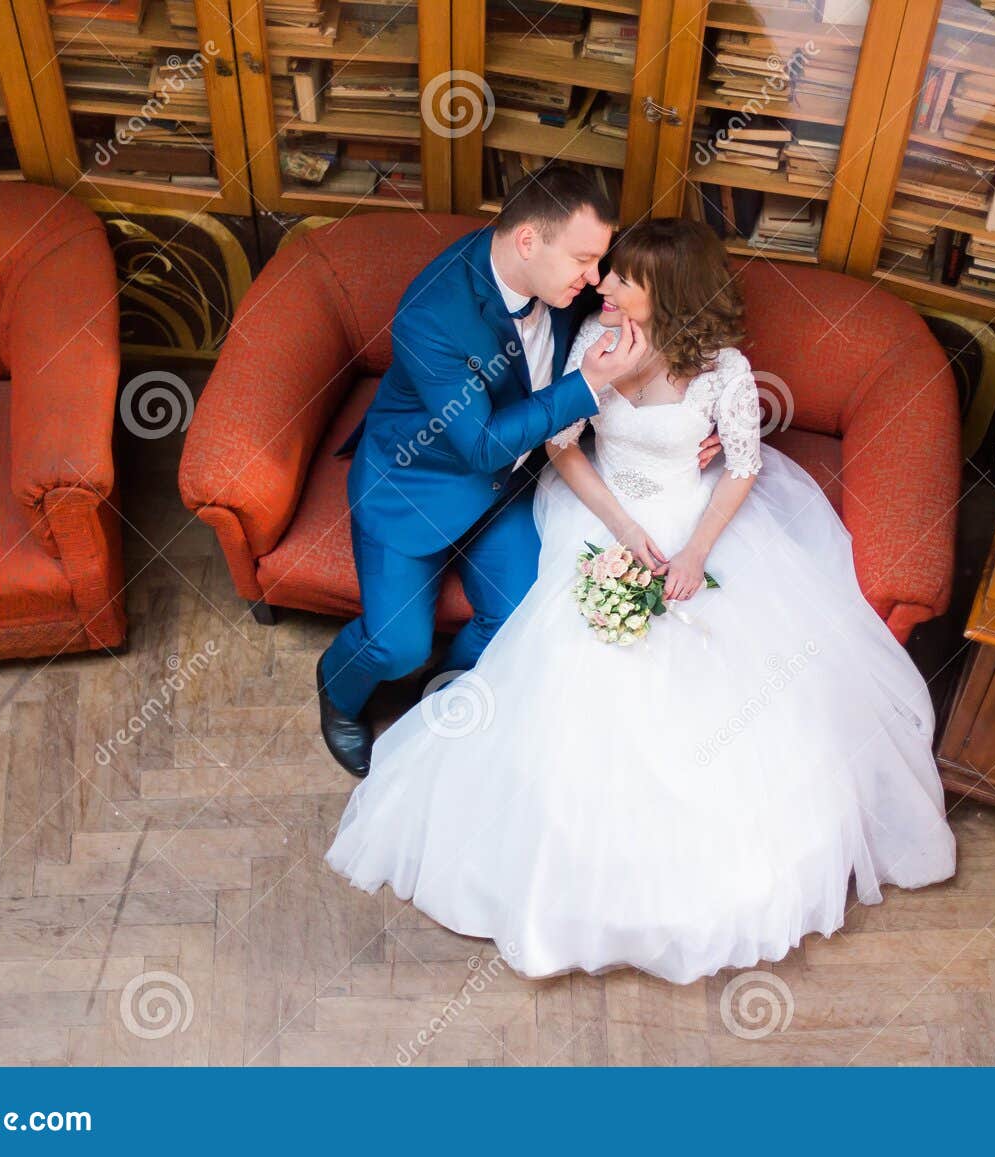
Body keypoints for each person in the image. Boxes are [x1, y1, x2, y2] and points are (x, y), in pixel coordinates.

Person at [324, 217, 958, 985]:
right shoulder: (595, 333)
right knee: (562, 655)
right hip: (599, 508)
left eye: (622, 276)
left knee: (732, 680)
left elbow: (742, 468)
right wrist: (621, 526)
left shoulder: (723, 367)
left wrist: (694, 551)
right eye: (604, 270)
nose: (604, 284)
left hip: (695, 520)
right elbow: (561, 442)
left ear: (670, 292)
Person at [316, 168, 722, 776]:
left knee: (517, 620)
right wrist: (588, 382)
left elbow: (662, 298)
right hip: (417, 481)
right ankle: (338, 691)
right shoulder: (432, 313)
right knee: (397, 647)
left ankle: (449, 695)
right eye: (585, 262)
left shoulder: (567, 278)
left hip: (512, 485)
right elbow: (477, 445)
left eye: (600, 264)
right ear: (528, 241)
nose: (595, 281)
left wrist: (697, 416)